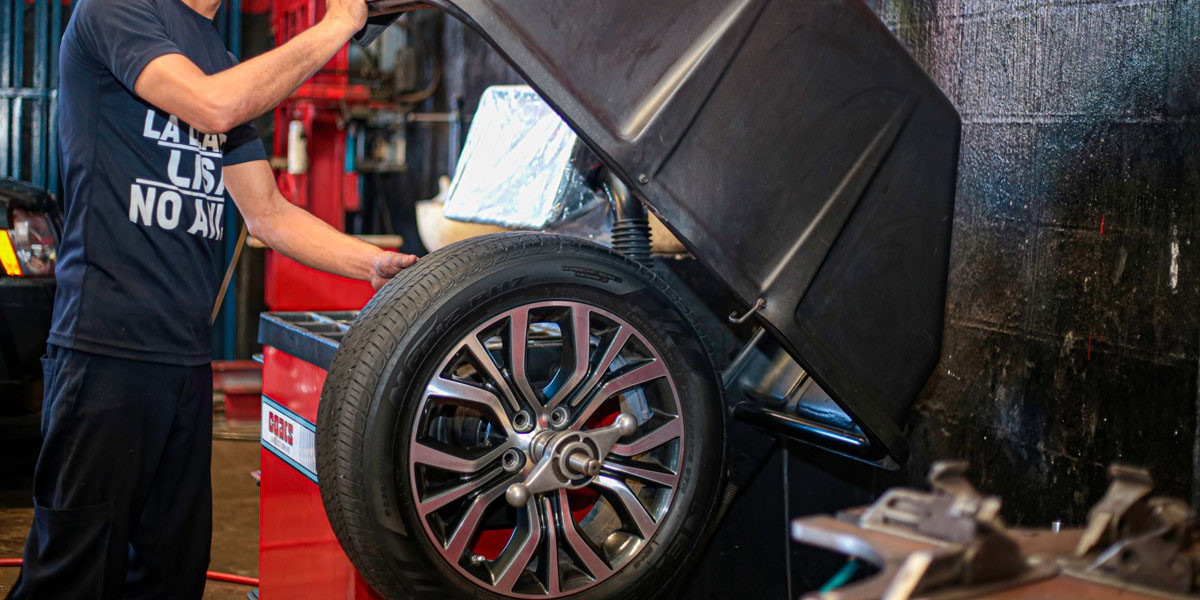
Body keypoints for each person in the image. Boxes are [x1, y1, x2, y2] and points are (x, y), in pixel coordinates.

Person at [5, 0, 414, 597]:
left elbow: (268, 214)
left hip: (184, 363)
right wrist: (337, 24)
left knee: (171, 571)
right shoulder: (117, 11)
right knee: (74, 576)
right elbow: (213, 104)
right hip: (105, 352)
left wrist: (374, 264)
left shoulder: (217, 55)